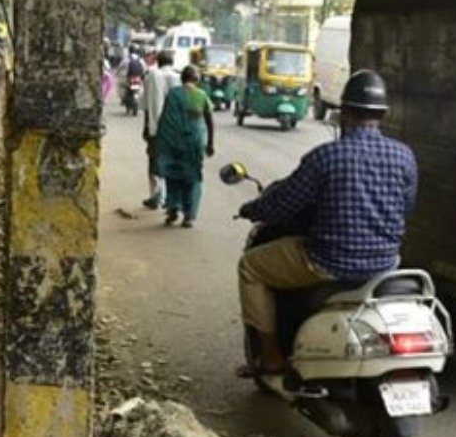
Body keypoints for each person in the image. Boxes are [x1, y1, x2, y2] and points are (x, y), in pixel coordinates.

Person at [236, 70, 417, 374]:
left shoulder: (325, 157)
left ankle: (271, 355)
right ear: (383, 114)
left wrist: (252, 209)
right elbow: (406, 208)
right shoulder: (405, 156)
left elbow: (282, 204)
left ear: (344, 112)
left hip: (330, 263)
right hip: (386, 263)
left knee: (249, 267)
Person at [153, 65, 214, 228]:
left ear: (182, 78)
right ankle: (189, 216)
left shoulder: (173, 94)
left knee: (173, 177)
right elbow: (209, 120)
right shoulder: (201, 95)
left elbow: (165, 119)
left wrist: (160, 143)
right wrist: (210, 143)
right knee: (192, 178)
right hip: (194, 144)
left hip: (172, 142)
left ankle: (172, 208)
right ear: (197, 79)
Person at [140, 50, 181, 209]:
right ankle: (171, 198)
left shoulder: (152, 76)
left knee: (154, 160)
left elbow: (145, 105)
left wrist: (147, 128)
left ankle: (157, 195)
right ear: (172, 62)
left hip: (156, 126)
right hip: (175, 128)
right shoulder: (179, 77)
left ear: (158, 61)